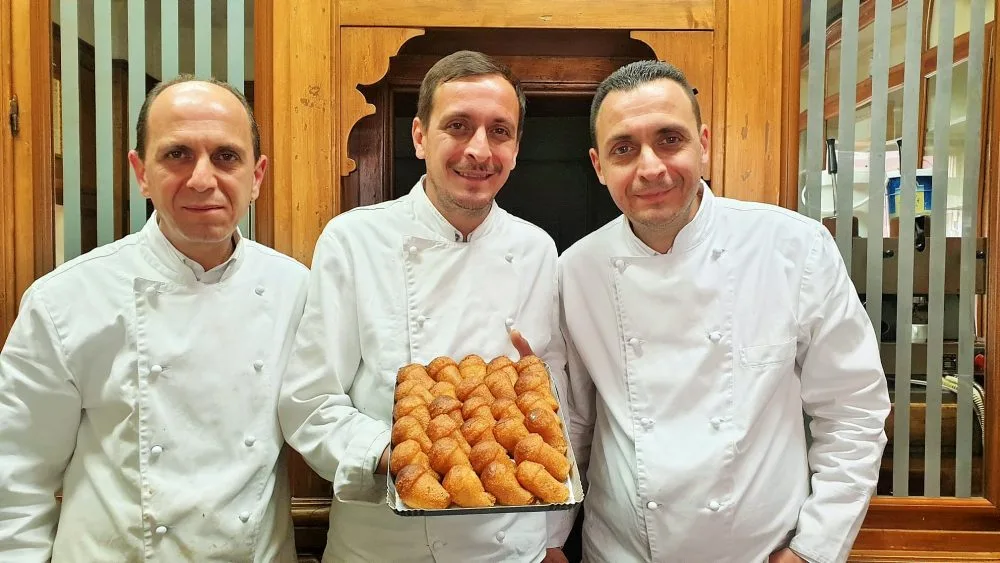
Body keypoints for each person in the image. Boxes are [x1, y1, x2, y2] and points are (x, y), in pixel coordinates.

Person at [550, 60, 891, 563]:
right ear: (599, 166)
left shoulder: (794, 248)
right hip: (620, 553)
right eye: (624, 149)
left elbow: (853, 410)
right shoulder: (575, 269)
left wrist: (815, 549)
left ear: (703, 144)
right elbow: (573, 425)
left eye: (670, 139)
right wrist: (551, 539)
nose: (650, 168)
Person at [0, 76, 307, 561]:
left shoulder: (298, 291)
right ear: (141, 172)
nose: (203, 179)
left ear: (258, 175)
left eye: (226, 156)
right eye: (177, 154)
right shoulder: (64, 300)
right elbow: (14, 478)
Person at [278, 50, 568, 562]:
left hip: (504, 546)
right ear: (419, 136)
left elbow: (554, 401)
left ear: (517, 148)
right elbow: (310, 403)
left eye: (500, 131)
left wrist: (550, 538)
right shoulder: (354, 240)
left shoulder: (538, 249)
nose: (479, 150)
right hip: (383, 545)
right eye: (458, 126)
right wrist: (401, 454)